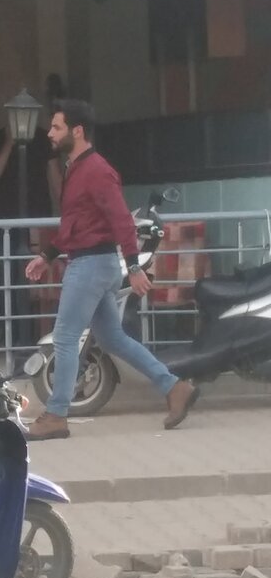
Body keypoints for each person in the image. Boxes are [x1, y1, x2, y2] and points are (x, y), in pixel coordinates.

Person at [24, 99, 199, 440]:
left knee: (65, 338)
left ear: (77, 131)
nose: (50, 132)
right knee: (112, 337)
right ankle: (174, 387)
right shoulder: (77, 167)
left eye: (56, 127)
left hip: (91, 265)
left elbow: (121, 221)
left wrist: (134, 266)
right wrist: (46, 256)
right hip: (92, 262)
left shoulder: (97, 170)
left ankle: (57, 415)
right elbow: (76, 224)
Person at [0, 92, 62, 344]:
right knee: (10, 276)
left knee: (41, 280)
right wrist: (9, 142)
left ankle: (41, 336)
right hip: (9, 221)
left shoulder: (43, 139)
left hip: (40, 219)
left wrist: (66, 213)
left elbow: (55, 179)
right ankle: (12, 337)